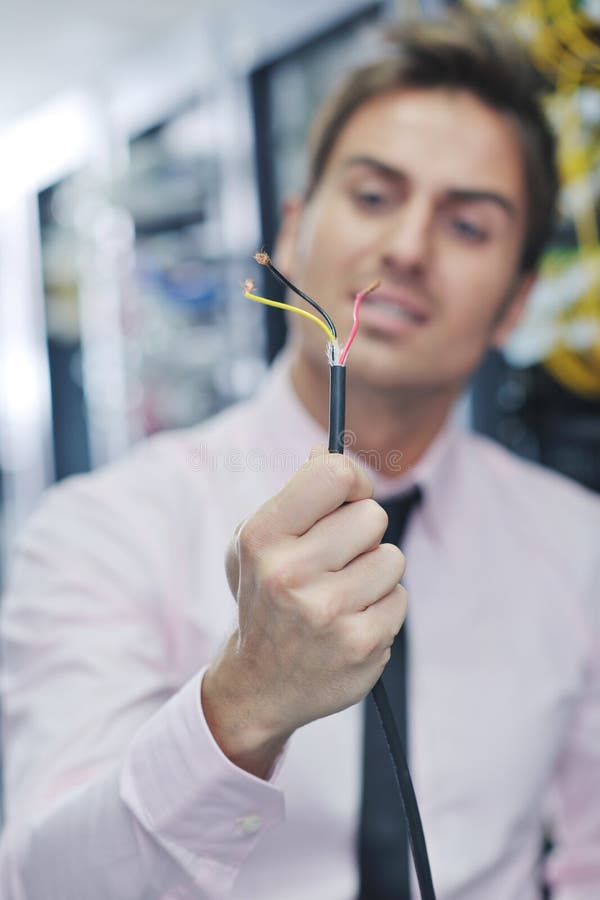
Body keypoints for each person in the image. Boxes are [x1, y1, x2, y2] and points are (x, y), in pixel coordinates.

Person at [1, 10, 599, 900]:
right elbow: (46, 885)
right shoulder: (104, 530)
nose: (405, 248)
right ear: (289, 228)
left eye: (468, 226)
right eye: (371, 196)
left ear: (515, 304)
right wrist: (245, 700)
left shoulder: (579, 547)